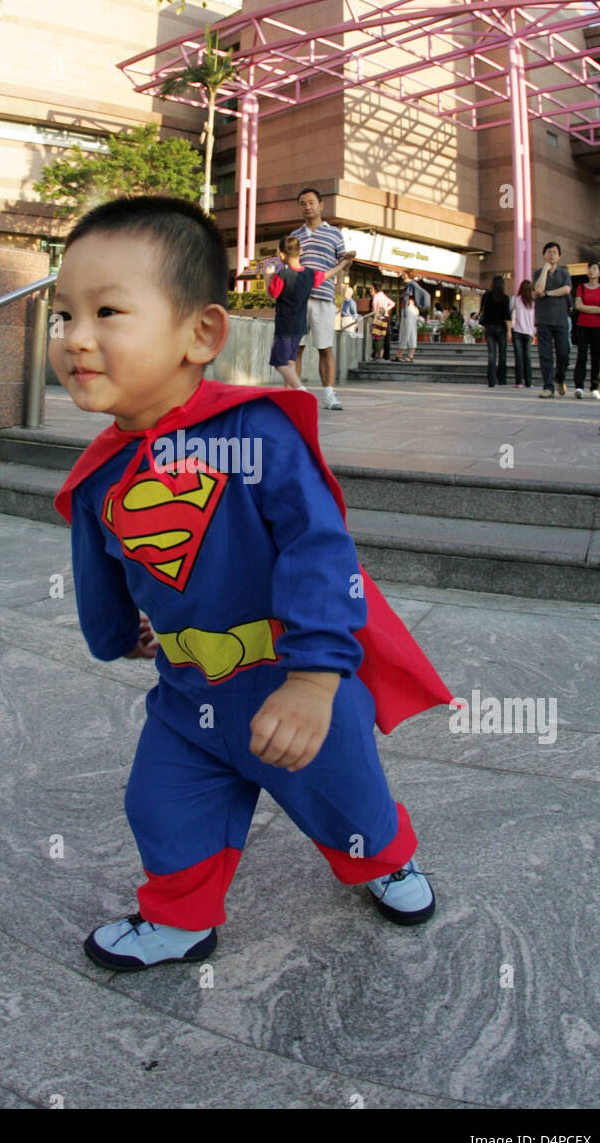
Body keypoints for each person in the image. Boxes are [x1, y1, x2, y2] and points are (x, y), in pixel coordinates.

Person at [49, 195, 453, 972]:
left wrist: (313, 678)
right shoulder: (99, 471)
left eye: (106, 312)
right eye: (62, 315)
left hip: (292, 688)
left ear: (199, 334)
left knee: (347, 802)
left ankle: (387, 860)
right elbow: (97, 568)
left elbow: (318, 547)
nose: (75, 339)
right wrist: (111, 638)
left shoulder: (252, 432)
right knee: (161, 806)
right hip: (186, 693)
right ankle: (180, 919)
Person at [266, 237, 353, 390]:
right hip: (299, 327)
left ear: (281, 255)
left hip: (284, 327)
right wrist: (344, 263)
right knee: (291, 362)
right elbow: (328, 274)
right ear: (301, 251)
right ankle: (291, 396)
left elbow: (272, 294)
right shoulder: (309, 274)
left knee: (280, 363)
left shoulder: (282, 276)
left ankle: (300, 389)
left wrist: (268, 277)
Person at [292, 188, 349, 410]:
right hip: (298, 299)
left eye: (312, 202)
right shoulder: (294, 235)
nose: (308, 207)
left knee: (325, 348)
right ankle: (296, 396)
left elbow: (343, 264)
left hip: (324, 298)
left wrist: (341, 294)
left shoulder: (335, 234)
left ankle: (329, 395)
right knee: (296, 348)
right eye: (303, 203)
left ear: (321, 205)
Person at [533, 241, 572, 397]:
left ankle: (559, 378)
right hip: (543, 319)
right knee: (545, 354)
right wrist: (545, 271)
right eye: (548, 252)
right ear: (543, 255)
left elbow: (566, 290)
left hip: (561, 320)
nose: (551, 254)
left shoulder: (564, 274)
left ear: (559, 256)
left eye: (554, 252)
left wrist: (548, 293)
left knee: (564, 352)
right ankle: (548, 387)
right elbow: (538, 289)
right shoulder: (538, 272)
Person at [573, 262, 600, 399]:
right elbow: (578, 306)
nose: (591, 271)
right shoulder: (581, 287)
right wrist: (595, 309)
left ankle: (595, 387)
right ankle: (579, 386)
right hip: (582, 326)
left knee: (596, 357)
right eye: (590, 269)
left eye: (594, 269)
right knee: (581, 356)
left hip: (598, 327)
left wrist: (586, 308)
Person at [478, 275, 512, 387]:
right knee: (502, 354)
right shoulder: (505, 298)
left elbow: (482, 311)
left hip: (489, 328)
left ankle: (491, 380)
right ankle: (502, 379)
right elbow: (507, 316)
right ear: (503, 285)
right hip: (501, 328)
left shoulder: (486, 296)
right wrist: (509, 331)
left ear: (492, 284)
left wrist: (483, 324)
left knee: (491, 354)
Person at [395, 271, 429, 362]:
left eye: (404, 274)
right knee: (405, 331)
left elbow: (424, 294)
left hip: (409, 310)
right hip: (406, 310)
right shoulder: (408, 285)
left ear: (409, 275)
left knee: (409, 331)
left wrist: (415, 302)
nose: (402, 275)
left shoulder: (412, 284)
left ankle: (409, 355)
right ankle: (400, 354)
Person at [510, 279, 535, 388]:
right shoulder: (533, 302)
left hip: (517, 331)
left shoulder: (515, 299)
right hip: (529, 332)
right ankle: (528, 382)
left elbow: (509, 311)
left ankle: (518, 382)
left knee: (518, 357)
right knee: (527, 357)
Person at [367, 283, 394, 359]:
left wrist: (374, 321)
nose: (370, 290)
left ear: (375, 289)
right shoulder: (383, 295)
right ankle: (386, 355)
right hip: (385, 317)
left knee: (377, 336)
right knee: (385, 336)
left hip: (379, 318)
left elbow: (375, 309)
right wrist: (386, 310)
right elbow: (392, 303)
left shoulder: (376, 296)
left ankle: (376, 354)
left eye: (371, 289)